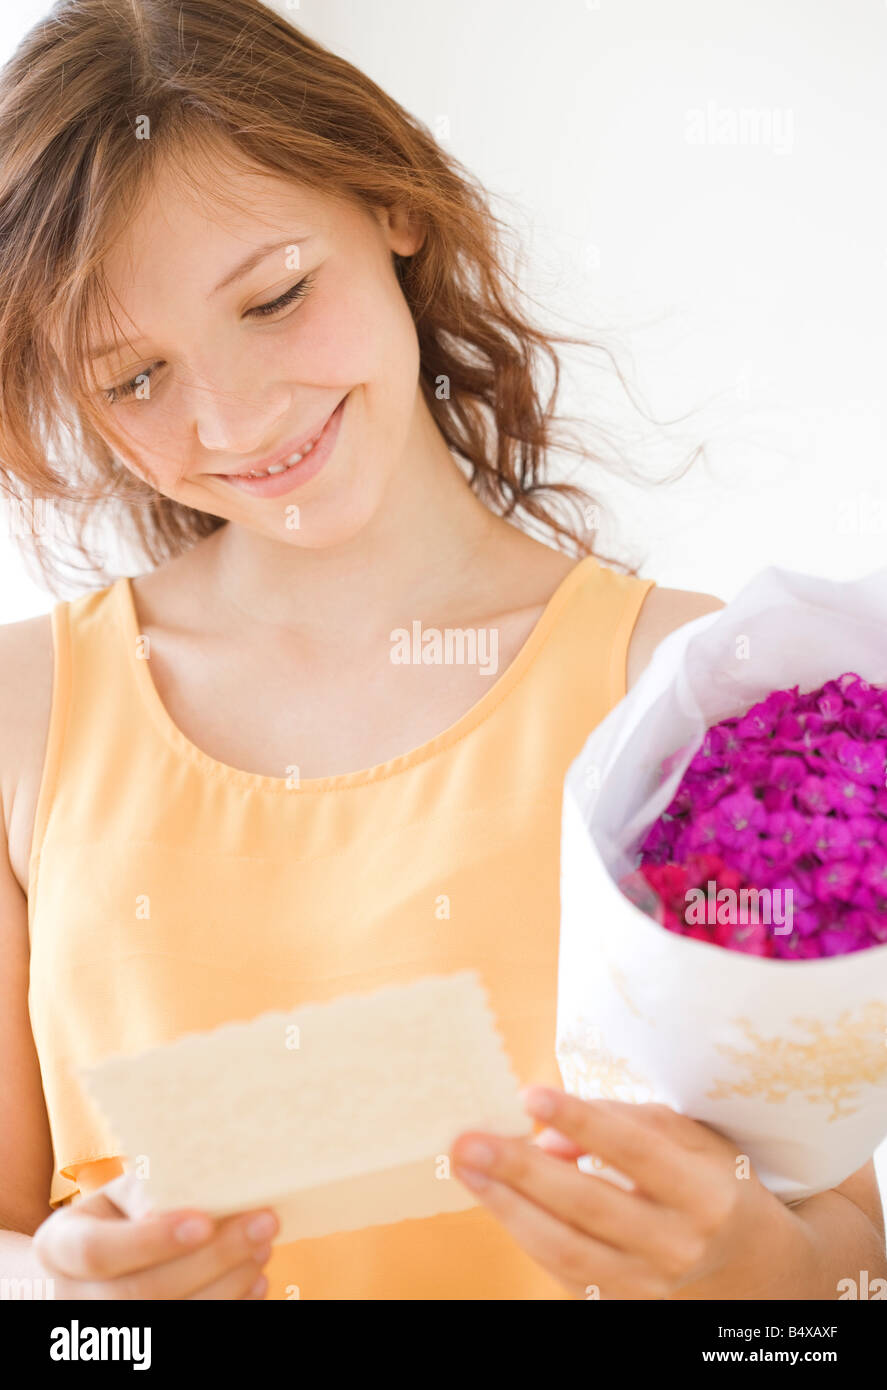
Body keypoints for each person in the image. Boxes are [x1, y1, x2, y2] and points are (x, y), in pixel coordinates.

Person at [0, 0, 882, 1300]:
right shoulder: (26, 709)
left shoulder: (691, 690)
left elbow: (842, 1251)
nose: (238, 417)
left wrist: (759, 1273)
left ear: (392, 204)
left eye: (277, 297)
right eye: (136, 381)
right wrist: (74, 1312)